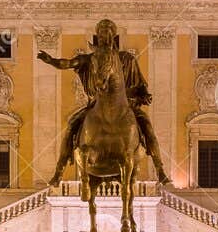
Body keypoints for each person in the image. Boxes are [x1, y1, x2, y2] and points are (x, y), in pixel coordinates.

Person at [38, 18, 171, 186]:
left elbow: (139, 82)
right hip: (95, 104)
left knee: (147, 126)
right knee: (72, 124)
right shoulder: (90, 59)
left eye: (106, 33)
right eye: (100, 33)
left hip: (126, 105)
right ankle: (59, 171)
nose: (103, 36)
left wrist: (143, 94)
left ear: (113, 36)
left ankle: (160, 169)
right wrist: (51, 61)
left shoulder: (126, 59)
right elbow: (69, 63)